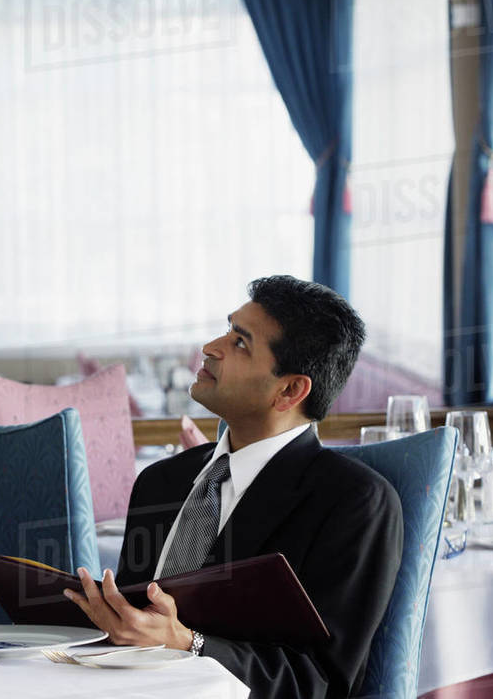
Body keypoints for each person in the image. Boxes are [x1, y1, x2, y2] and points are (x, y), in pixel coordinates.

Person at [65, 275, 403, 699]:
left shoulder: (354, 503)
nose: (211, 347)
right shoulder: (160, 482)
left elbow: (319, 682)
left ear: (290, 389)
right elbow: (133, 627)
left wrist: (189, 645)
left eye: (240, 343)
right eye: (227, 329)